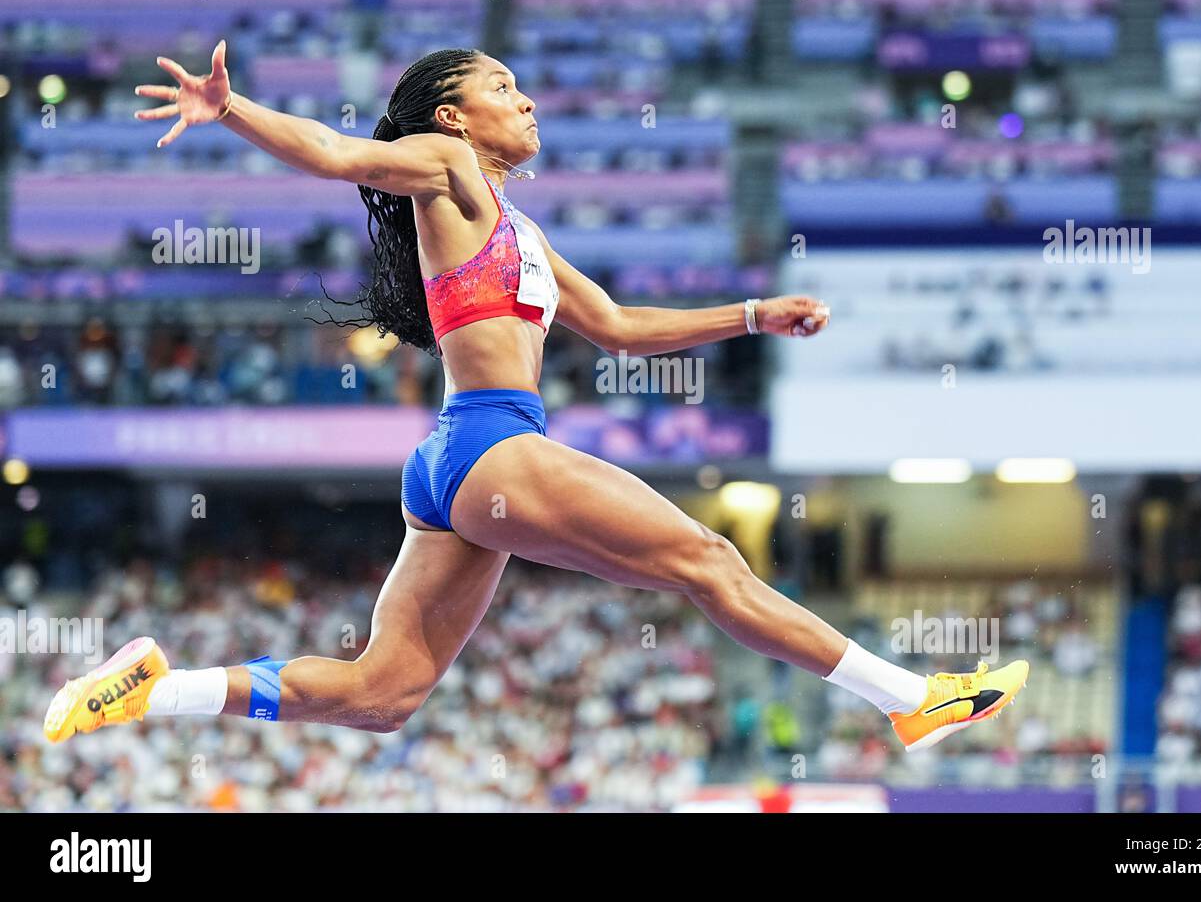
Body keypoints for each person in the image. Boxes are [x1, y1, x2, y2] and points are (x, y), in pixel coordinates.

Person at [44, 42, 1028, 755]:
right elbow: (339, 154)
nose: (527, 102)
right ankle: (907, 697)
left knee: (383, 694)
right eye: (502, 87)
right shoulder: (449, 168)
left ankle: (158, 689)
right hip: (491, 445)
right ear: (453, 117)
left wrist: (752, 314)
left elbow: (619, 326)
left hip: (452, 467)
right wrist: (233, 110)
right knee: (709, 560)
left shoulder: (512, 224)